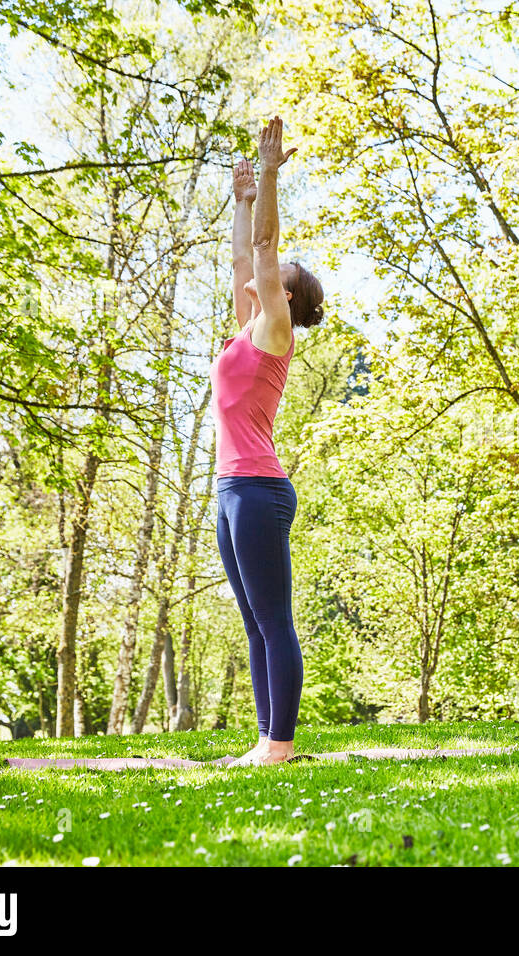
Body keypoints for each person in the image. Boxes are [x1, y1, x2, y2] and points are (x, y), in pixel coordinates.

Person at [213, 116, 324, 766]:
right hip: (232, 490)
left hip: (258, 490)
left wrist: (272, 177)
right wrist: (242, 201)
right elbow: (242, 255)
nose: (264, 261)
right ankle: (265, 744)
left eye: (276, 265)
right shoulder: (247, 326)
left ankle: (279, 746)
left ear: (284, 293)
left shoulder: (274, 329)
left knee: (274, 621)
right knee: (255, 623)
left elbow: (262, 245)